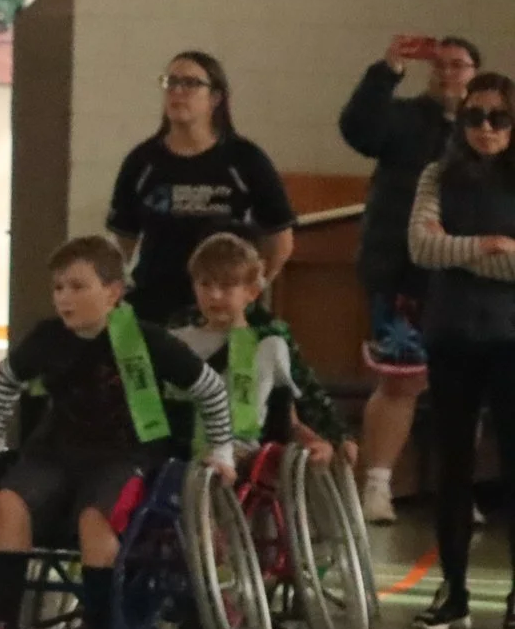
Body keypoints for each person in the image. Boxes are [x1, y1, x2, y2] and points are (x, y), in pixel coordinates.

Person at [0, 236, 236, 629]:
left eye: (77, 287)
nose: (64, 299)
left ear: (113, 292)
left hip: (124, 453)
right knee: (9, 504)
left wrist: (222, 449)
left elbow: (210, 390)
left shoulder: (146, 340)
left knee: (97, 520)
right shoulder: (48, 338)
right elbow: (6, 379)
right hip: (55, 450)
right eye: (58, 288)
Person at [343, 35, 484, 523]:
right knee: (400, 381)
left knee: (469, 384)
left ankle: (459, 489)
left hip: (471, 275)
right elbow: (358, 129)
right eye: (440, 65)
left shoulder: (487, 130)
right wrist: (387, 70)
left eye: (459, 66)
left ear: (475, 73)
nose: (449, 73)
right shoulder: (402, 118)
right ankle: (378, 486)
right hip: (400, 269)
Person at [404, 70, 515, 629]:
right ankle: (453, 590)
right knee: (453, 468)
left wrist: (460, 254)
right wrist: (487, 247)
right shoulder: (436, 175)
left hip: (510, 339)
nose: (487, 128)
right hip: (451, 337)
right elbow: (422, 247)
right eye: (475, 117)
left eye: (499, 117)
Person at [106, 53, 297, 325]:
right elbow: (123, 241)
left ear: (215, 98)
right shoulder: (142, 161)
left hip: (222, 309)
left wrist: (250, 288)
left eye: (190, 83)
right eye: (171, 82)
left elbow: (281, 238)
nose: (178, 92)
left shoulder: (245, 159)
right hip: (156, 306)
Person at [174, 232, 347, 463]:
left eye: (226, 286)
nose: (214, 295)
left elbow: (288, 421)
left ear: (251, 292)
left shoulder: (269, 347)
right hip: (186, 462)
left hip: (244, 464)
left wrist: (317, 443)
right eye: (205, 284)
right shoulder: (175, 343)